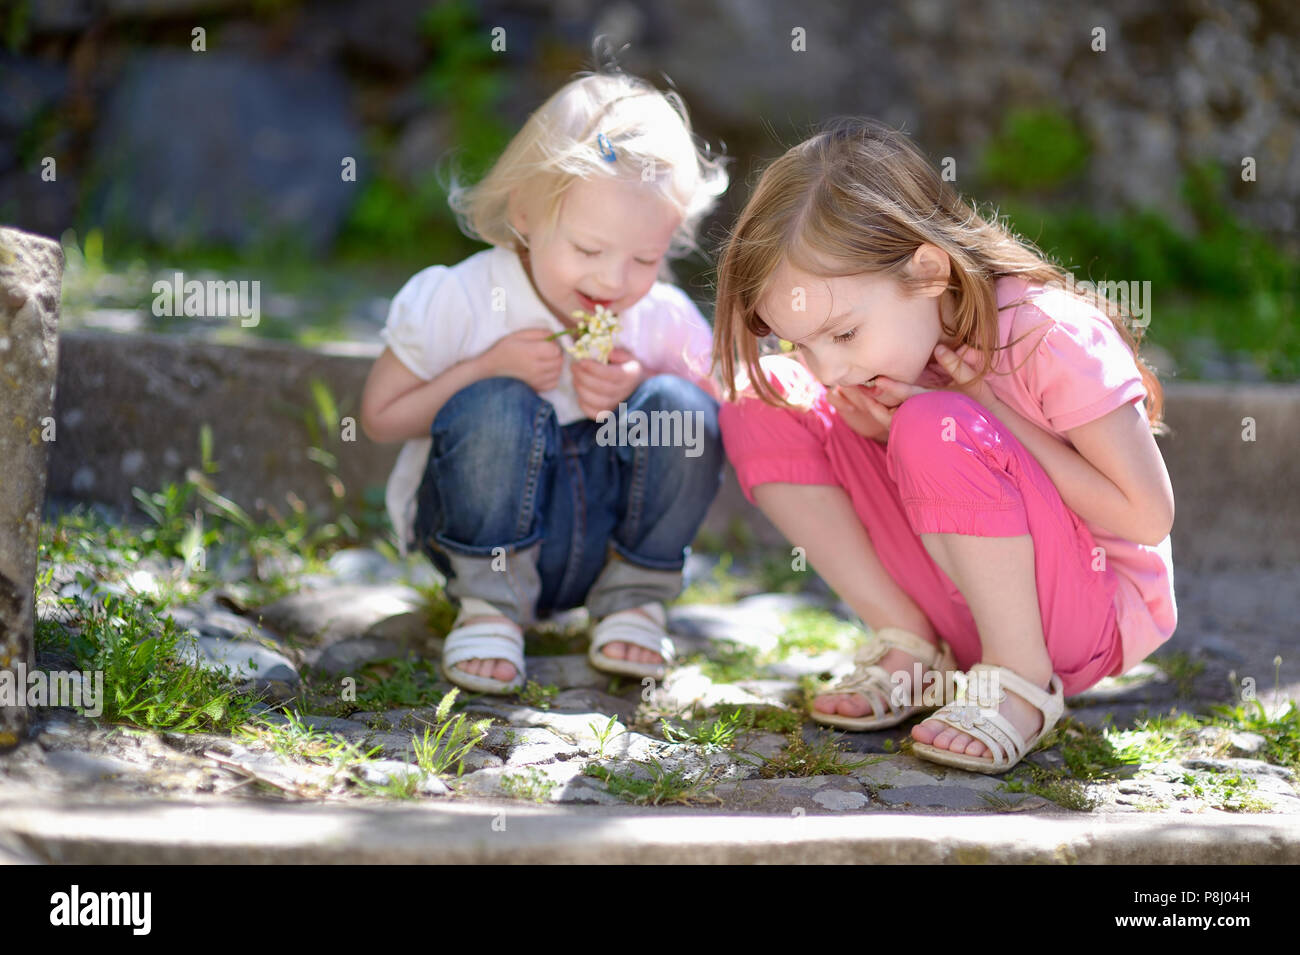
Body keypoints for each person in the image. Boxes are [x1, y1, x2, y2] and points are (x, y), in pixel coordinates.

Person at [711, 117, 1177, 774]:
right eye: (800, 342)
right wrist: (877, 440)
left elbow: (1146, 514)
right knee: (761, 398)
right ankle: (909, 646)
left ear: (928, 270)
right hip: (959, 597)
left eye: (843, 334)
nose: (828, 370)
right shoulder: (882, 356)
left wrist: (980, 414)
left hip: (1079, 616)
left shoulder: (1046, 333)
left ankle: (1019, 682)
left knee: (937, 425)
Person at [360, 67, 728, 696]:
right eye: (589, 249)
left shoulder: (655, 315)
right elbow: (380, 416)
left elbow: (731, 398)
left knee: (682, 408)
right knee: (497, 403)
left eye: (644, 259)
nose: (614, 281)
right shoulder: (465, 297)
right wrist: (483, 369)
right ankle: (489, 608)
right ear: (527, 216)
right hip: (479, 534)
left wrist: (639, 378)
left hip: (602, 546)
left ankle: (636, 600)